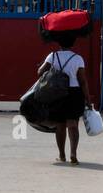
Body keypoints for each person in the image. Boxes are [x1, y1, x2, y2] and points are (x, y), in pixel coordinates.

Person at [37, 32, 92, 164]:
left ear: (59, 43)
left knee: (60, 125)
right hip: (75, 93)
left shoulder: (53, 56)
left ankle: (62, 155)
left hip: (57, 94)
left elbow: (39, 72)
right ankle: (73, 153)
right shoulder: (78, 58)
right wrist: (88, 100)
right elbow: (83, 81)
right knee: (73, 123)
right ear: (72, 43)